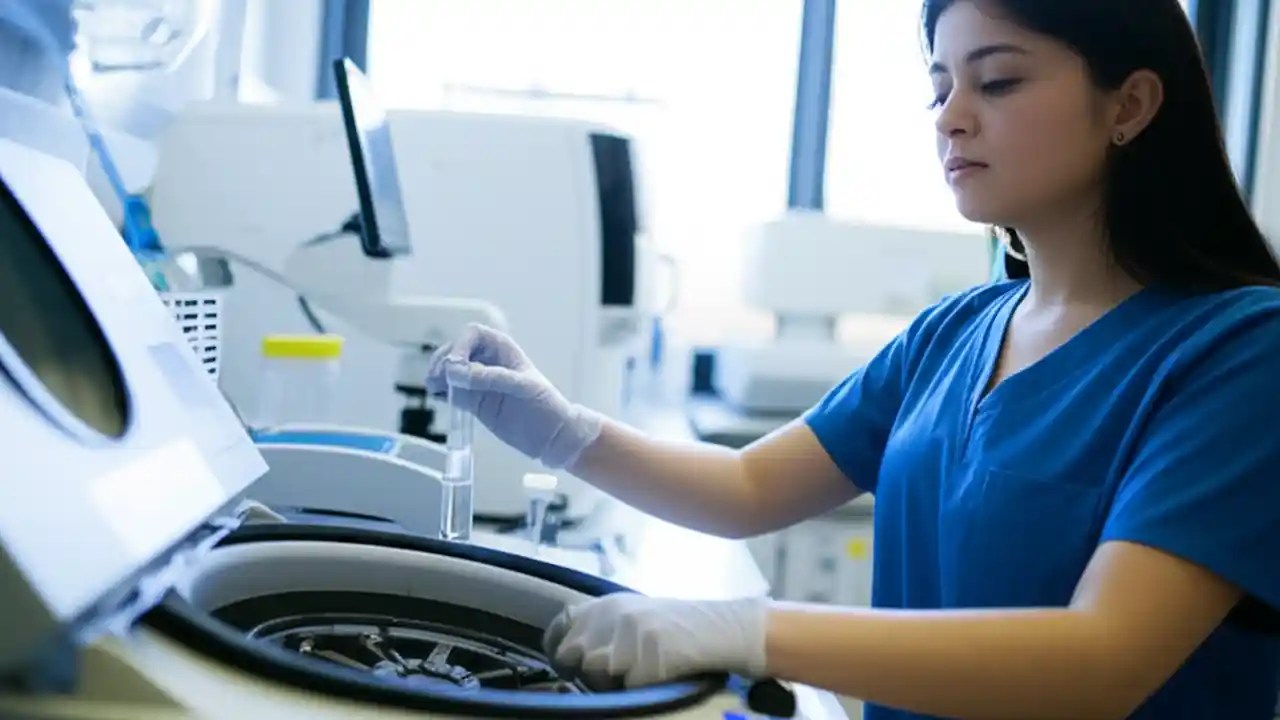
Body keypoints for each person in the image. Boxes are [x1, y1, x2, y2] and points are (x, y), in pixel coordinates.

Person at [426, 0, 1280, 717]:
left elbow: (1105, 658)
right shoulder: (955, 331)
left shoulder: (1240, 349)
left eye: (999, 80)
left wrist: (749, 630)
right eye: (940, 86)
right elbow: (750, 488)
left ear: (1128, 105)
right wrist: (558, 429)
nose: (951, 115)